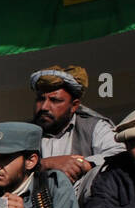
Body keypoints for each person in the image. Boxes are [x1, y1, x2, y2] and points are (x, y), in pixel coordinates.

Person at [31, 65, 124, 194]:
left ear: (74, 105)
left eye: (54, 100)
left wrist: (82, 164)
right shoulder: (24, 133)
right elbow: (0, 169)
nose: (44, 107)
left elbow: (120, 153)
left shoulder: (93, 127)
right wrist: (47, 164)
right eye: (40, 99)